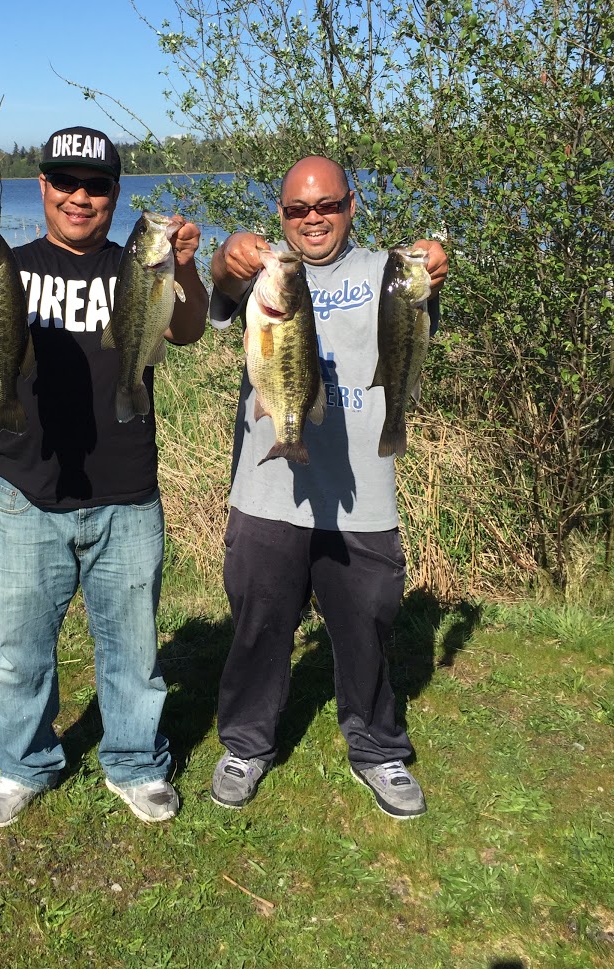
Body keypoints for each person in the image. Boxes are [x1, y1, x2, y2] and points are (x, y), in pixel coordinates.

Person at [0, 125, 208, 827]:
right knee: (18, 652)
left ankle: (135, 763)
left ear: (116, 194)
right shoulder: (10, 264)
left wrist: (186, 267)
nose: (79, 197)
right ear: (43, 188)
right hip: (25, 490)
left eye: (96, 185)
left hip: (127, 491)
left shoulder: (135, 265)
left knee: (134, 649)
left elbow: (187, 331)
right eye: (65, 182)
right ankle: (24, 763)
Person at [208, 155, 448, 819]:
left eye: (326, 205)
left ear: (350, 203)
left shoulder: (383, 271)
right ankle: (245, 744)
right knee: (258, 623)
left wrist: (432, 262)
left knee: (366, 624)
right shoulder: (267, 273)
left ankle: (376, 747)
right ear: (281, 214)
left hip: (363, 491)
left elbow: (421, 295)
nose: (312, 218)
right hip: (266, 492)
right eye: (296, 209)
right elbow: (220, 283)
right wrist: (226, 259)